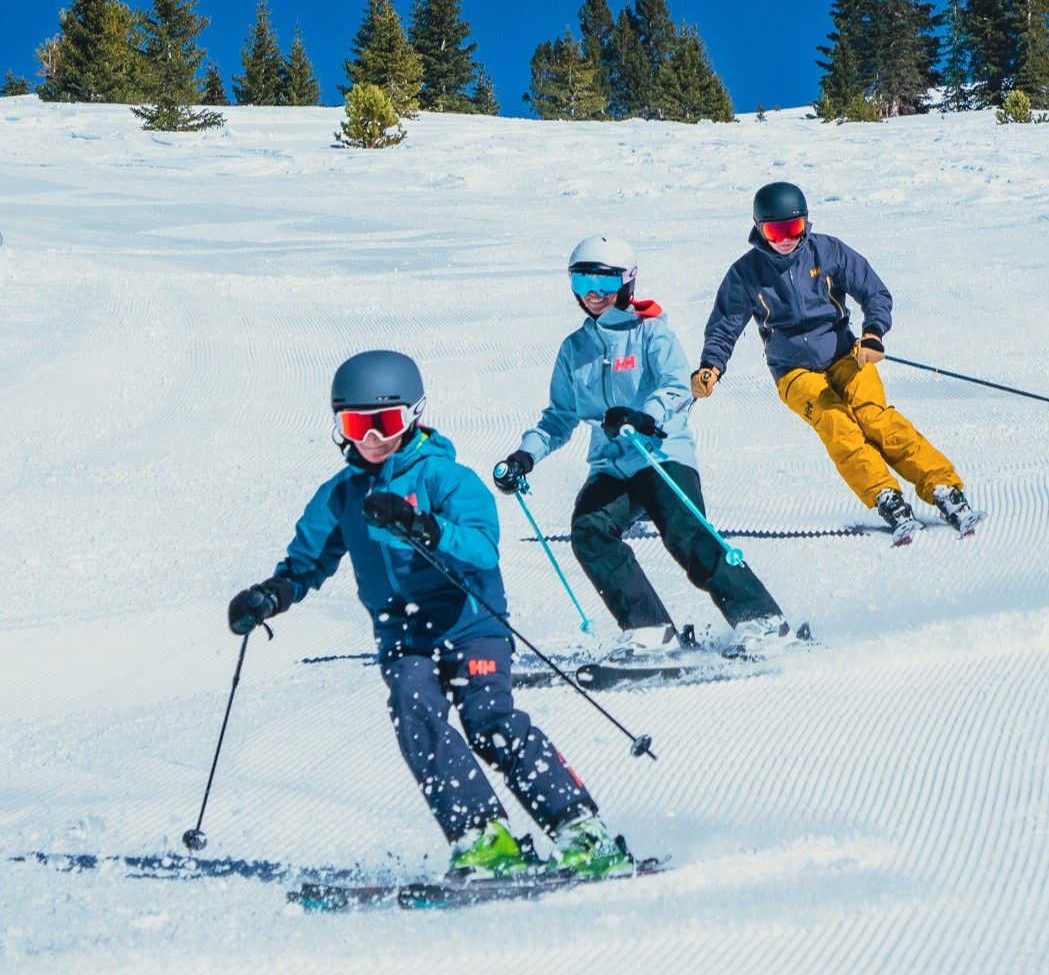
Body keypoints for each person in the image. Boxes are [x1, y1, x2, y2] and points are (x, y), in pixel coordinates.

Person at [226, 349, 631, 879]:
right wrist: (271, 595)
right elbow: (306, 562)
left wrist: (424, 527)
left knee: (490, 721)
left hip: (470, 623)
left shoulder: (447, 478)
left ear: (414, 415)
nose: (371, 439)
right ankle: (482, 835)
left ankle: (579, 828)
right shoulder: (341, 495)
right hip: (403, 635)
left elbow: (483, 548)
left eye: (385, 423)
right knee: (416, 715)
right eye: (356, 425)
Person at [493, 236, 791, 655]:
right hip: (612, 465)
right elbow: (559, 417)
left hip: (661, 453)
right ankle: (650, 630)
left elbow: (676, 386)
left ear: (627, 283)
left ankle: (762, 620)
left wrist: (643, 416)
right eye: (581, 283)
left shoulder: (651, 333)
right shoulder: (574, 349)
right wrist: (525, 456)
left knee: (685, 534)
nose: (593, 295)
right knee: (589, 531)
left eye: (604, 282)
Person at [691, 181, 985, 545]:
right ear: (759, 229)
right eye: (774, 231)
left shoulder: (826, 251)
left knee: (875, 417)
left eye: (793, 229)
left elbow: (874, 290)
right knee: (836, 423)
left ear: (805, 225)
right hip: (793, 372)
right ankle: (885, 496)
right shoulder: (745, 274)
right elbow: (725, 325)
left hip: (845, 353)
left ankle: (943, 486)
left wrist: (873, 333)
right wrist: (711, 365)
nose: (784, 239)